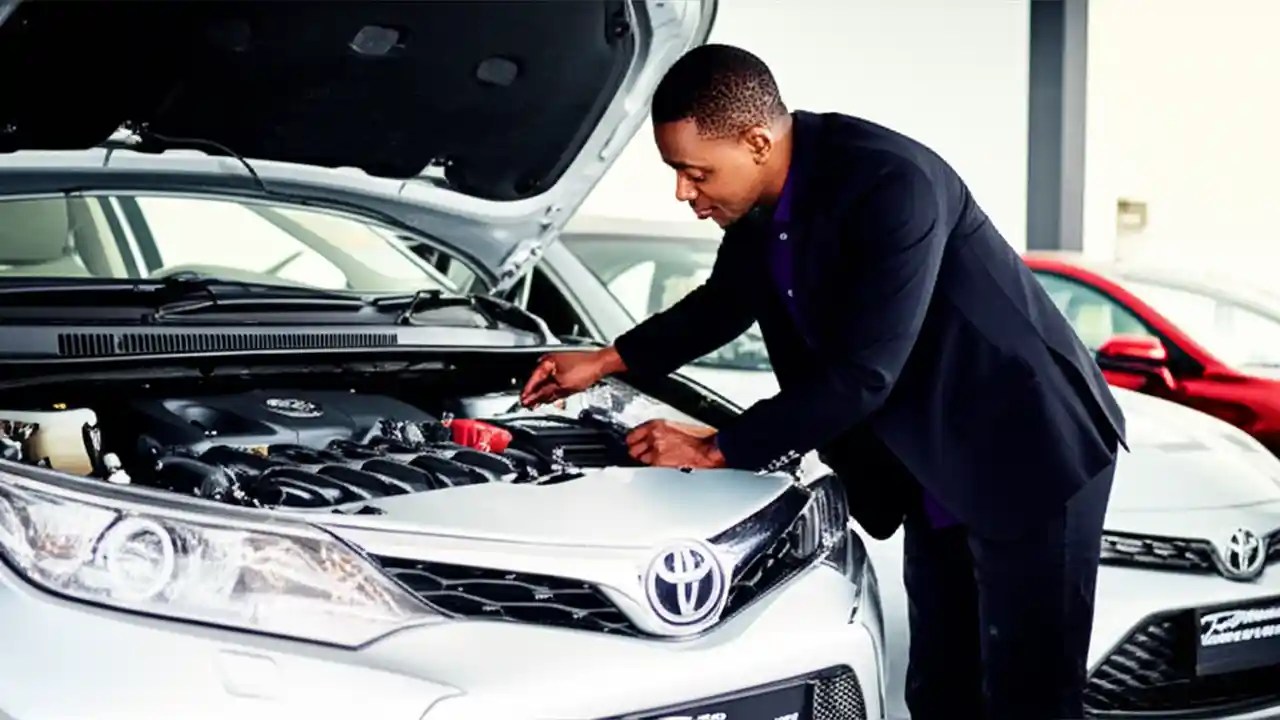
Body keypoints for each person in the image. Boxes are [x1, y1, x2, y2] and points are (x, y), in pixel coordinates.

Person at [519, 44, 1126, 720]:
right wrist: (605, 362)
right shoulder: (758, 213)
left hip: (1025, 447)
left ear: (755, 142)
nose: (683, 192)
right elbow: (723, 304)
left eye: (694, 172)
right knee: (940, 689)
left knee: (1029, 696)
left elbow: (864, 374)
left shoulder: (891, 183)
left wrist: (715, 447)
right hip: (933, 464)